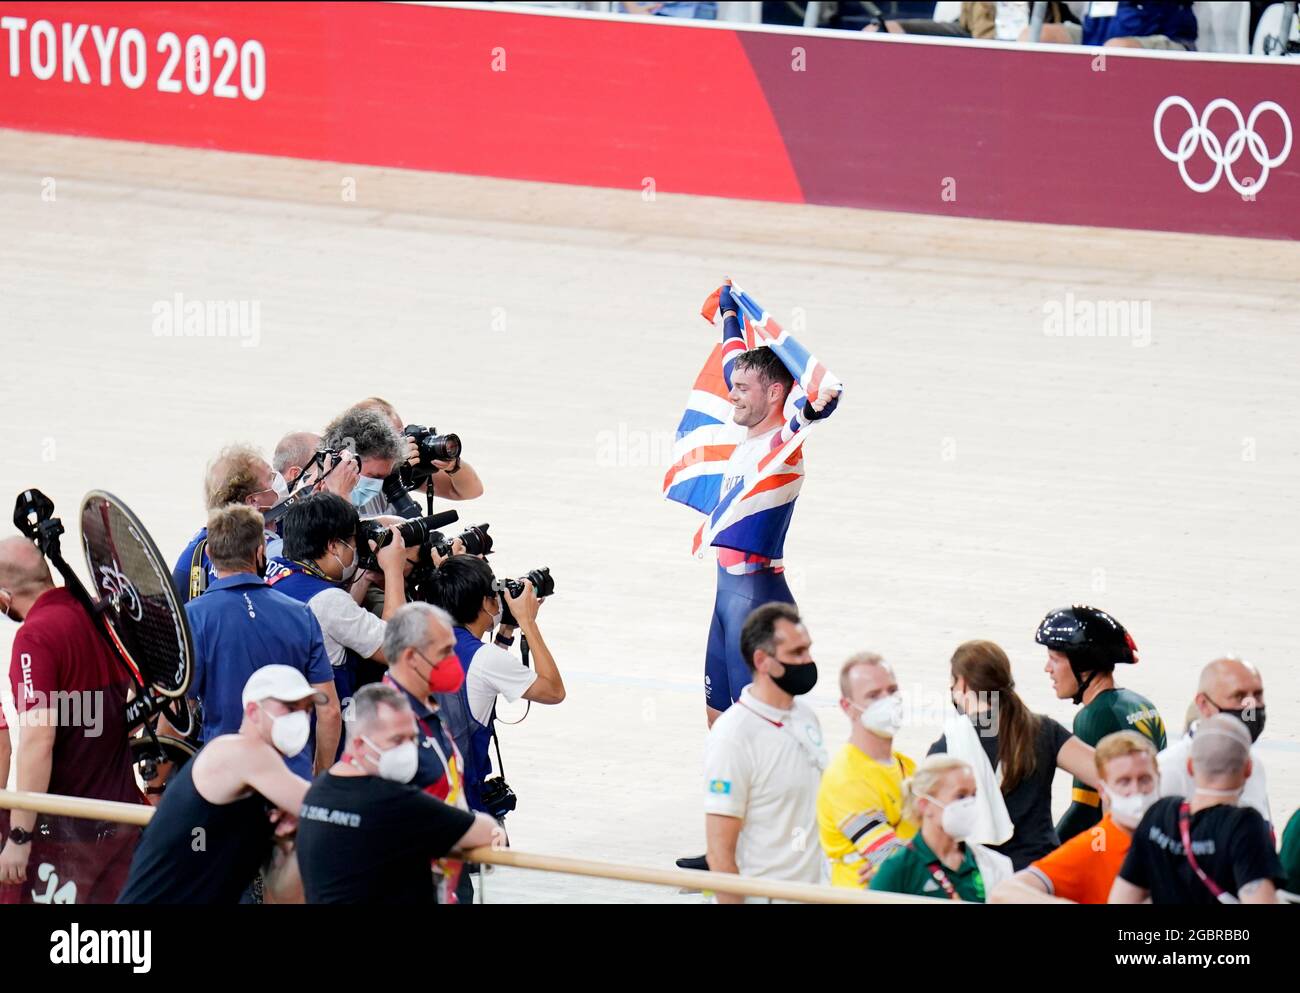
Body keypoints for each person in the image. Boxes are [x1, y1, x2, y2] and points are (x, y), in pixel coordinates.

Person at [0, 536, 145, 903]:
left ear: (4, 597)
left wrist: (19, 837)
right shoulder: (96, 613)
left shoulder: (34, 637)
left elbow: (37, 741)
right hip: (123, 816)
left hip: (70, 830)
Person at [117, 666, 324, 904]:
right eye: (290, 708)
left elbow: (285, 892)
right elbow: (323, 807)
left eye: (307, 710)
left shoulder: (262, 786)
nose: (301, 718)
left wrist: (291, 839)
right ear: (254, 711)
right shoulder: (240, 751)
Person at [295, 683, 498, 903]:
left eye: (412, 739)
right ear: (360, 744)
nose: (409, 750)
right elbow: (488, 832)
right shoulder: (394, 801)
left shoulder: (316, 792)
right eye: (397, 740)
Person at [184, 504, 340, 778]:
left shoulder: (193, 617)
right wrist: (320, 775)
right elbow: (329, 711)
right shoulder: (301, 615)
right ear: (259, 552)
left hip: (226, 778)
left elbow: (180, 707)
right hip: (291, 778)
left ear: (209, 554)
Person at [929, 640, 1098, 870]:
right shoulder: (1044, 730)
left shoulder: (946, 746)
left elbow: (929, 824)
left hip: (983, 878)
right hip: (1042, 874)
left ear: (964, 685)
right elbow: (1107, 773)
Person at [702, 603, 826, 903]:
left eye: (808, 650)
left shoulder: (806, 717)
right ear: (762, 661)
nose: (808, 661)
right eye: (797, 653)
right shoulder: (733, 737)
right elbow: (720, 855)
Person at [423, 555, 564, 815]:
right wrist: (528, 622)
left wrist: (506, 631)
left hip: (418, 793)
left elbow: (477, 682)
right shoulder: (486, 660)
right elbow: (554, 691)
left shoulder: (422, 639)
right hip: (460, 804)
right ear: (484, 602)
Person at [1110, 715, 1282, 904]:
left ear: (1190, 767)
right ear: (1248, 769)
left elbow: (1122, 898)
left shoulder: (1159, 813)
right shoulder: (1244, 825)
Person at [1036, 605, 1166, 842]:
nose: (1048, 669)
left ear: (1083, 664)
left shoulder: (1093, 716)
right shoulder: (1143, 705)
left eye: (1054, 659)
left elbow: (1084, 811)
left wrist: (1046, 858)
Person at [266, 493, 406, 707]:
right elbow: (395, 649)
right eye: (352, 540)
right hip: (322, 717)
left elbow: (331, 621)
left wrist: (364, 577)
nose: (355, 548)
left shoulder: (275, 567)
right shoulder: (328, 600)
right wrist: (393, 569)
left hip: (280, 700)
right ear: (333, 546)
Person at [990, 731, 1160, 904]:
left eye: (1145, 779)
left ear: (1158, 780)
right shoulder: (1097, 844)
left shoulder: (1174, 828)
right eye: (1124, 782)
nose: (1136, 790)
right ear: (1103, 791)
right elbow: (1004, 893)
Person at [380, 601, 476, 903]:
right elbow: (387, 817)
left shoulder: (426, 708)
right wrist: (469, 828)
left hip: (443, 872)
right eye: (445, 652)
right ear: (412, 657)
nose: (454, 661)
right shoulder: (389, 723)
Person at [817, 653, 917, 889]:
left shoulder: (906, 765)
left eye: (892, 691)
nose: (888, 701)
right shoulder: (846, 777)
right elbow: (888, 855)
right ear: (847, 707)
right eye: (873, 696)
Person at [869, 755, 1013, 901]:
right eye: (960, 796)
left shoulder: (994, 865)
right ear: (925, 805)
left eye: (973, 795)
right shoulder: (898, 869)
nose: (971, 804)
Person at [1158, 657, 1271, 827]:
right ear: (1203, 704)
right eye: (1239, 696)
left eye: (1257, 694)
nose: (1251, 707)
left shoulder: (1255, 765)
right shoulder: (1167, 771)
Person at [171, 443, 287, 603]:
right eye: (270, 478)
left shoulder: (197, 547)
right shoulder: (274, 550)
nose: (279, 481)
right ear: (253, 501)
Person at [354, 397, 484, 507]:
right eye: (392, 439)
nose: (402, 444)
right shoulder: (341, 473)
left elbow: (471, 491)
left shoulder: (405, 464)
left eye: (402, 435)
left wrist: (453, 466)